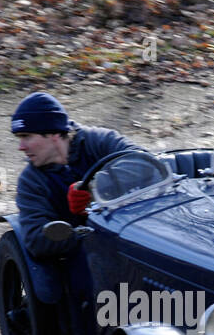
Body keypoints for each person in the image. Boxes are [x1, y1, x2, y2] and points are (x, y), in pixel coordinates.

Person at [11, 92, 143, 260]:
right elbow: (36, 239)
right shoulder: (31, 181)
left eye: (26, 136)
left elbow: (145, 163)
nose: (21, 147)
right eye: (19, 138)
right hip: (85, 257)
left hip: (136, 232)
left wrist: (96, 189)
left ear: (54, 134)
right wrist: (84, 233)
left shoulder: (99, 141)